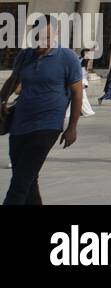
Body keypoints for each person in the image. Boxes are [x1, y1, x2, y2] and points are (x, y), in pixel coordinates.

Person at [0, 19, 83, 205]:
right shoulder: (25, 56)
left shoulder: (67, 58)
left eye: (45, 37)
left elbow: (77, 93)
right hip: (20, 125)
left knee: (20, 182)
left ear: (54, 35)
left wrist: (72, 128)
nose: (40, 41)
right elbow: (14, 79)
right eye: (36, 36)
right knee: (26, 177)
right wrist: (2, 100)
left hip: (47, 125)